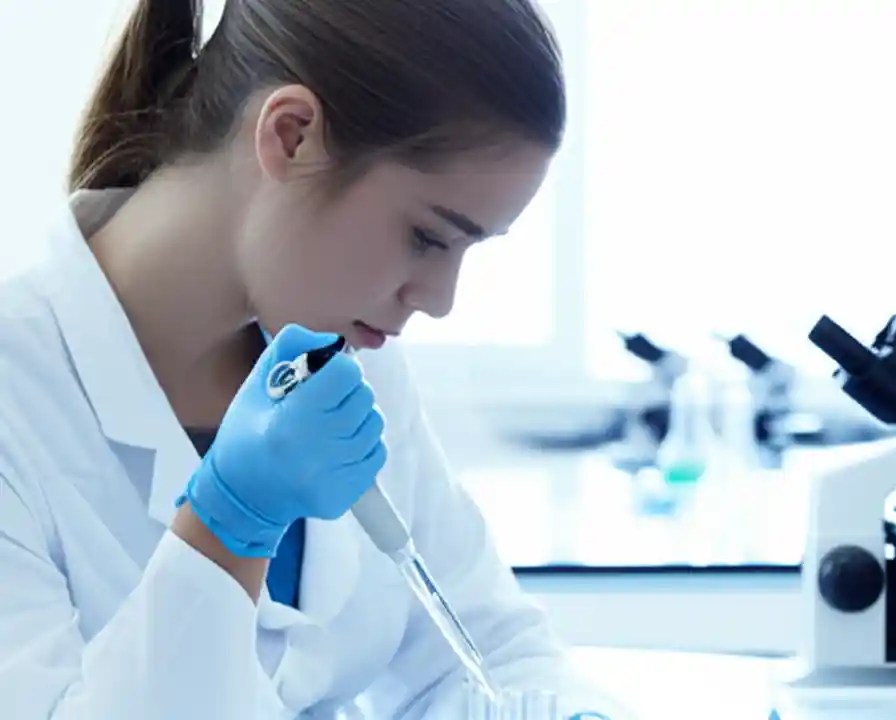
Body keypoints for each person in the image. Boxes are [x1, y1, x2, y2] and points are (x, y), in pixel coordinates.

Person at [0, 1, 628, 718]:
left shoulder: (346, 364)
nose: (439, 299)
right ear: (291, 135)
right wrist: (226, 528)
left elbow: (490, 653)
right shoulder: (18, 396)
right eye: (428, 236)